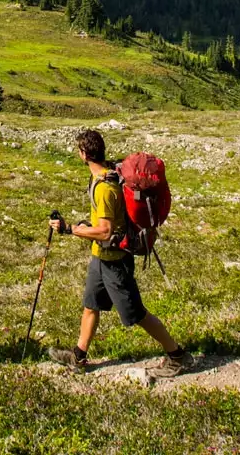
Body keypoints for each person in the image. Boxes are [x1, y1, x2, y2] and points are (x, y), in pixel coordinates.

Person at [48, 129, 193, 377]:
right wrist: (85, 226)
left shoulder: (104, 188)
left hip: (115, 262)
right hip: (101, 257)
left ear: (83, 154)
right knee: (91, 305)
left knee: (137, 314)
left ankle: (177, 355)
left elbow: (105, 231)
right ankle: (78, 356)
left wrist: (70, 229)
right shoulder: (108, 173)